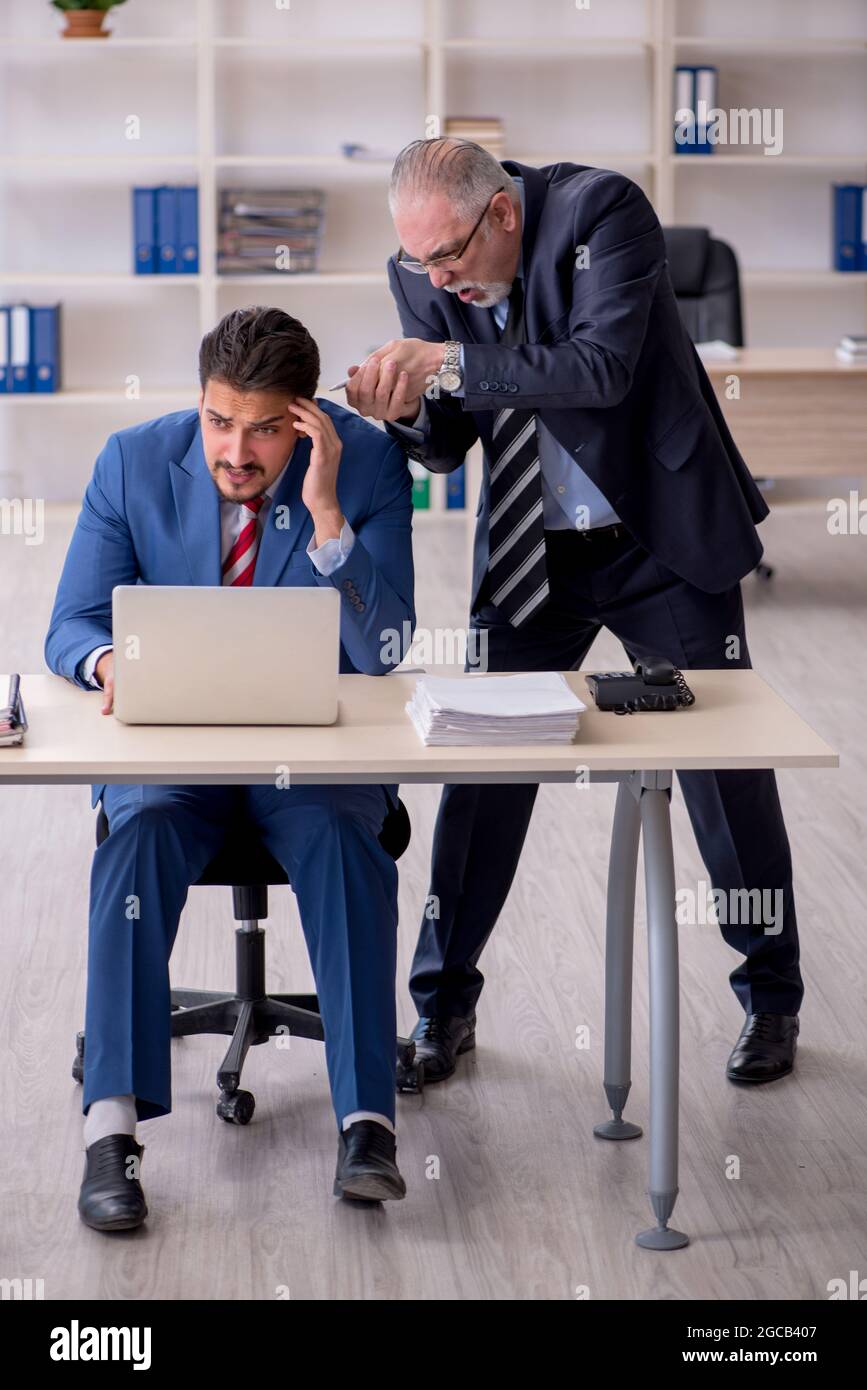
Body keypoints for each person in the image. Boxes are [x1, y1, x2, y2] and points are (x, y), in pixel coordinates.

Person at [346, 137, 802, 1090]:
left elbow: (597, 370)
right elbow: (446, 439)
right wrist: (402, 405)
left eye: (449, 260)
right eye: (417, 263)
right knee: (482, 768)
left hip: (656, 535)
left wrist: (449, 362)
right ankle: (443, 1010)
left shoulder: (603, 214)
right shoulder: (425, 264)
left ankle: (770, 997)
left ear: (502, 215)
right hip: (528, 545)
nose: (433, 279)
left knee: (725, 770)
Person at [45, 306, 416, 1229]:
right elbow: (71, 626)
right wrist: (108, 665)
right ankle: (110, 1132)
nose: (235, 452)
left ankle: (367, 1125)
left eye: (261, 428)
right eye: (218, 420)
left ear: (302, 416)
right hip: (176, 754)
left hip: (313, 757)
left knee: (341, 842)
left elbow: (386, 650)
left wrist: (329, 518)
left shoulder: (366, 464)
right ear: (198, 403)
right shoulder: (132, 462)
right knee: (137, 838)